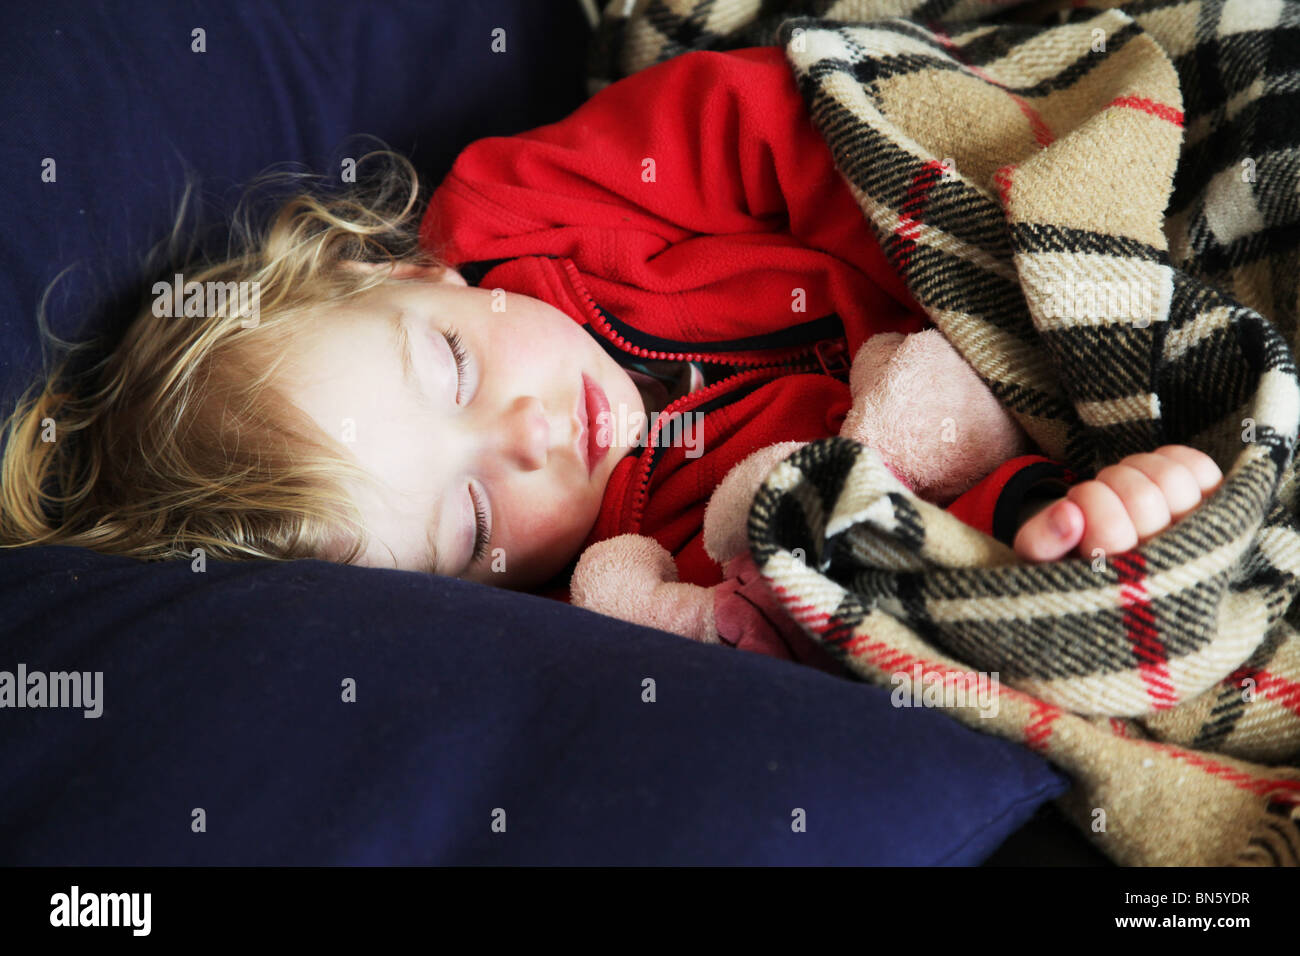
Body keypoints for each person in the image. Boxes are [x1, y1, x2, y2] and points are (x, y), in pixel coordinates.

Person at [0, 46, 1222, 616]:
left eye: (451, 361)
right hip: (1040, 432)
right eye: (473, 518)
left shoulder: (533, 202)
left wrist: (935, 290)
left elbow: (759, 120)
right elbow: (862, 535)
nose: (528, 433)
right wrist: (1035, 497)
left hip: (953, 220)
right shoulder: (668, 566)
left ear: (401, 267)